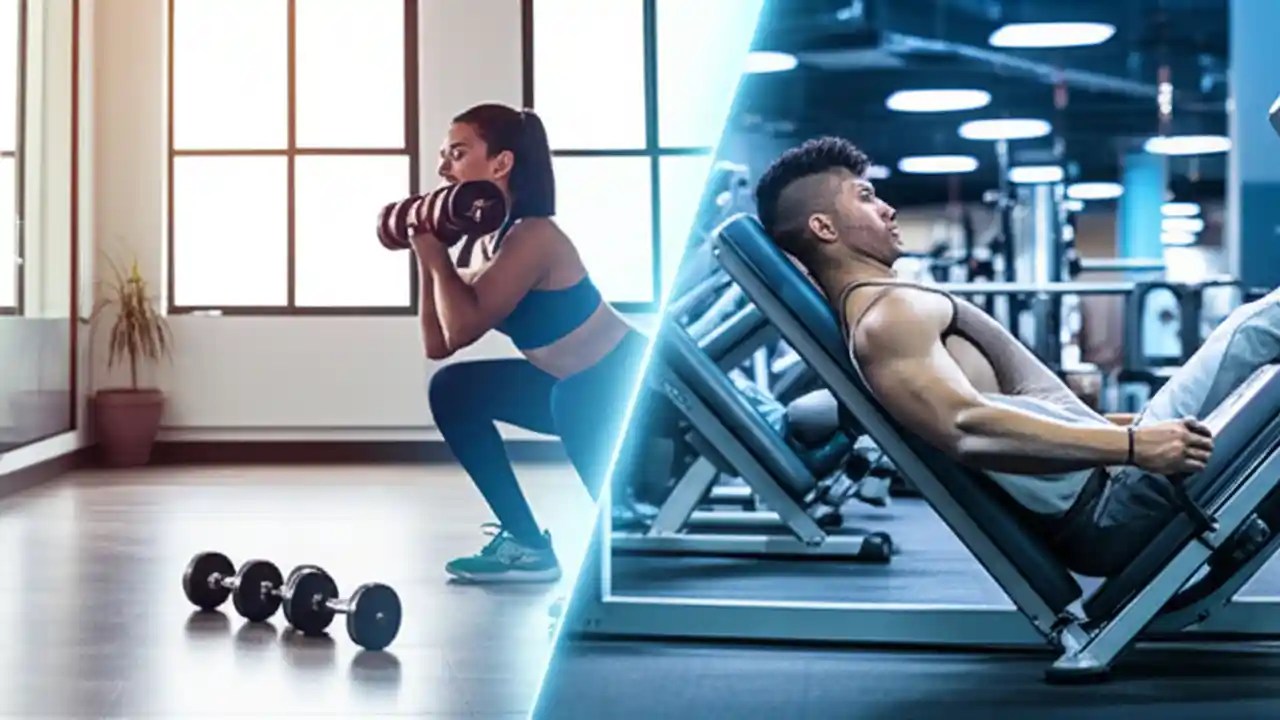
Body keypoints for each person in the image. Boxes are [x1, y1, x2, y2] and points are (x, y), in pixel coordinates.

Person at [753, 136, 1280, 577]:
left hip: (1112, 483)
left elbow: (1020, 412)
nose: (888, 208)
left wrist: (1128, 432)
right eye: (865, 197)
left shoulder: (892, 308)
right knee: (1260, 325)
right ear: (824, 228)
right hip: (1111, 507)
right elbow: (966, 426)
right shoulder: (887, 319)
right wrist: (1132, 445)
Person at [410, 103, 647, 583]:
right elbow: (437, 344)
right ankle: (525, 543)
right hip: (574, 391)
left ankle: (624, 547)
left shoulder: (534, 237)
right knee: (452, 388)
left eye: (456, 153)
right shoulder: (481, 244)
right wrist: (427, 258)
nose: (442, 168)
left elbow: (463, 327)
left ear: (501, 163)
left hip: (636, 389)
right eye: (443, 155)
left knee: (574, 393)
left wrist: (437, 261)